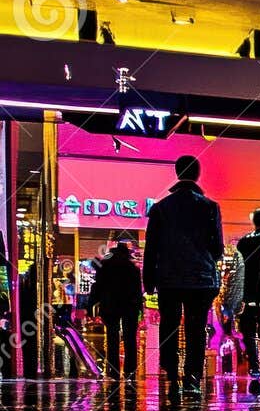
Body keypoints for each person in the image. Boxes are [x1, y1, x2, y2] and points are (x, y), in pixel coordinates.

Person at [144, 155, 223, 396]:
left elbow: (152, 247)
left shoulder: (160, 209)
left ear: (177, 173)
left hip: (168, 278)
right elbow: (218, 249)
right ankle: (192, 377)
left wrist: (148, 280)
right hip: (200, 279)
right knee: (196, 327)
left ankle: (170, 371)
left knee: (169, 324)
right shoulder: (210, 207)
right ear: (198, 175)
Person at [85, 242, 145, 380]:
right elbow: (137, 292)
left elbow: (97, 288)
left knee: (112, 338)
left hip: (110, 306)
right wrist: (139, 310)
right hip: (129, 307)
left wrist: (90, 307)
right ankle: (130, 371)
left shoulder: (105, 267)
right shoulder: (132, 269)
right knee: (130, 339)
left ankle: (114, 370)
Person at [235, 208, 260, 394]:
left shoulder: (244, 242)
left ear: (254, 221)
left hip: (248, 295)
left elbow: (240, 269)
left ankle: (254, 367)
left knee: (249, 333)